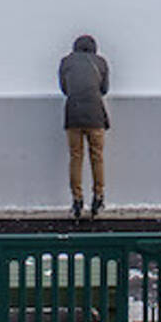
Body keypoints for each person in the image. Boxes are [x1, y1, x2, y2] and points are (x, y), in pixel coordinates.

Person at [59, 34, 111, 220]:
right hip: (95, 115)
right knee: (97, 156)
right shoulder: (101, 62)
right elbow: (104, 89)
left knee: (76, 156)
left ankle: (77, 199)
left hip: (73, 114)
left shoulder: (66, 62)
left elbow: (64, 89)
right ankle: (98, 196)